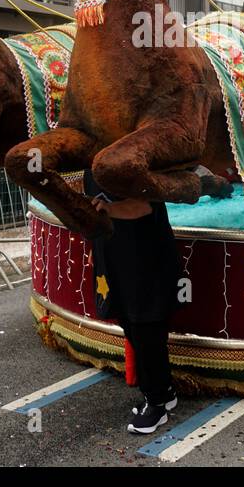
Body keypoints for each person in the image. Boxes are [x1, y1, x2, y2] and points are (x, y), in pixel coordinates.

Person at [82, 170, 182, 434]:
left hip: (145, 256)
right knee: (129, 322)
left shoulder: (136, 158)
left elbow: (143, 206)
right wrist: (95, 247)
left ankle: (156, 403)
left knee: (147, 327)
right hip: (114, 256)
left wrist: (108, 210)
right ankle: (165, 390)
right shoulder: (91, 165)